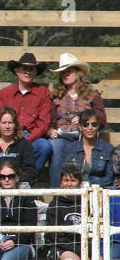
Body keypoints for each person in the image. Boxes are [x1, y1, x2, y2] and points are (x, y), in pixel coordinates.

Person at [0, 52, 52, 176]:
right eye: (24, 69)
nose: (28, 72)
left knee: (44, 146)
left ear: (36, 72)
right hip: (6, 134)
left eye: (31, 69)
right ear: (17, 71)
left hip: (30, 136)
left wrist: (26, 140)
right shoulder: (4, 93)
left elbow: (43, 124)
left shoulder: (43, 93)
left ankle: (27, 180)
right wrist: (8, 137)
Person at [46, 53, 107, 187]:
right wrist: (50, 130)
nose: (65, 75)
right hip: (62, 135)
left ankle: (89, 190)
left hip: (85, 135)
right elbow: (50, 119)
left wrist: (84, 118)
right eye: (63, 73)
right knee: (55, 146)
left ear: (78, 73)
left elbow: (102, 118)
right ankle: (57, 192)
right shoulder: (56, 96)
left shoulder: (92, 95)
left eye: (69, 72)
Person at [42, 163, 86, 260]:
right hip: (58, 247)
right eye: (66, 180)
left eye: (73, 181)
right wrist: (73, 251)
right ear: (61, 182)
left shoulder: (85, 202)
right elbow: (54, 236)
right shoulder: (55, 204)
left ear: (80, 183)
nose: (69, 184)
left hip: (82, 246)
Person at [56, 113, 113, 188]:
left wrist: (90, 185)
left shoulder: (108, 148)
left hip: (98, 191)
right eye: (86, 125)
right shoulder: (70, 148)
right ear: (80, 127)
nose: (90, 128)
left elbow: (109, 177)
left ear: (98, 127)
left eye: (94, 124)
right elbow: (63, 174)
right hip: (74, 191)